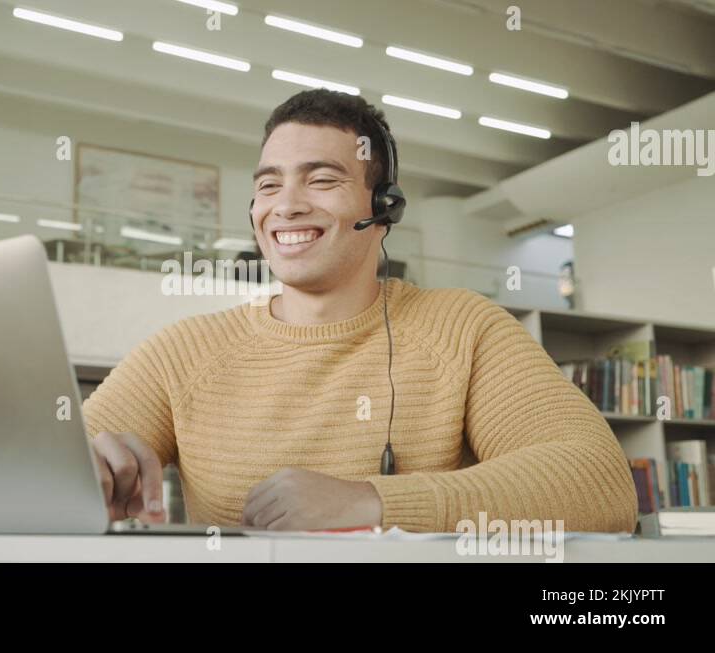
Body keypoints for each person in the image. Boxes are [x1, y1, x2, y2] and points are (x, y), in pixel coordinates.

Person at [81, 89, 638, 533]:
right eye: (269, 185)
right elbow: (33, 471)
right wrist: (85, 465)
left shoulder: (464, 329)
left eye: (322, 180)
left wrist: (371, 502)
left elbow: (599, 484)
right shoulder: (184, 351)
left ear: (383, 207)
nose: (287, 204)